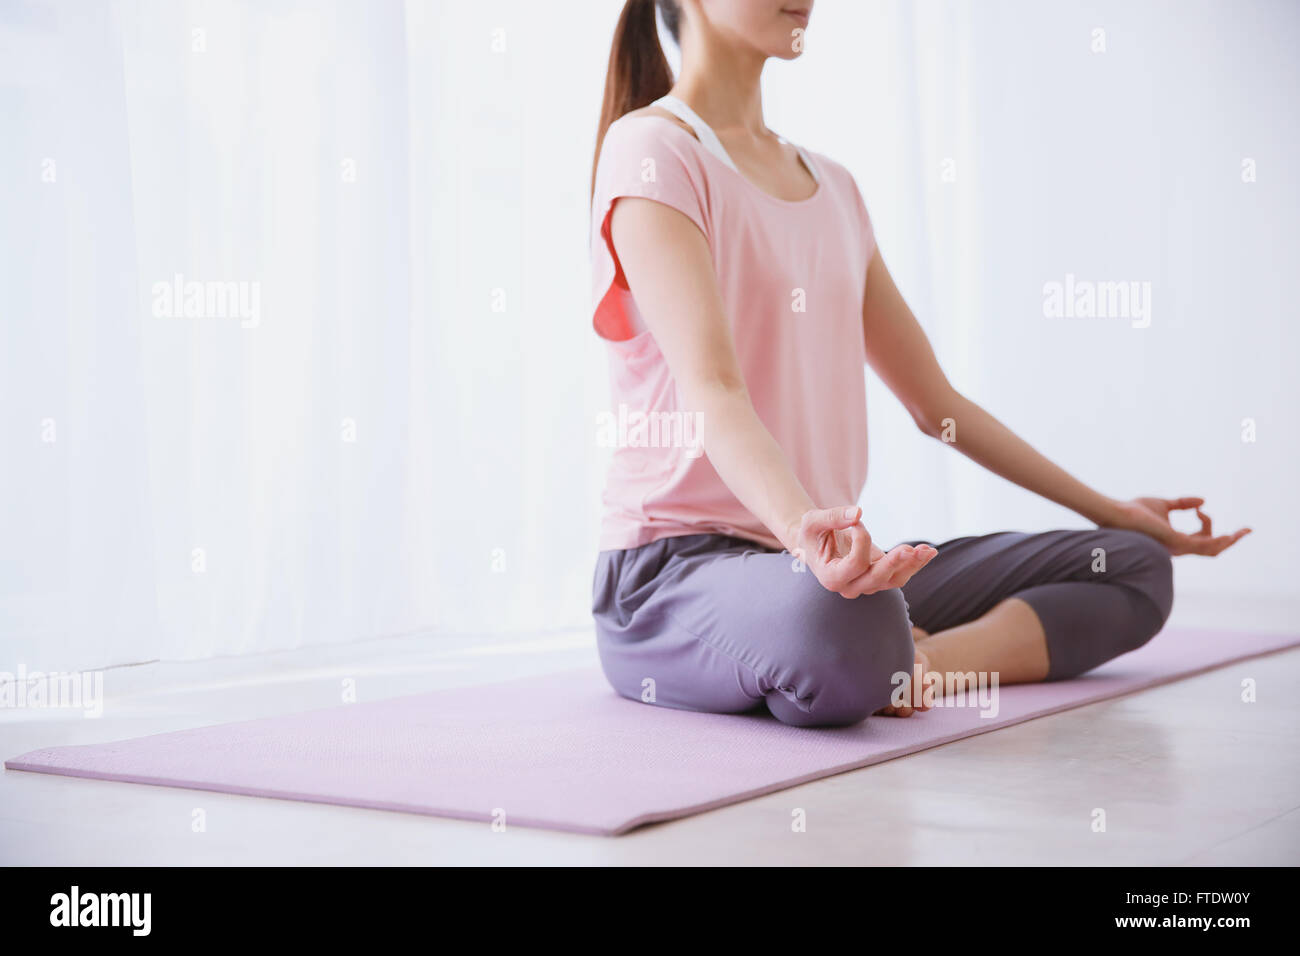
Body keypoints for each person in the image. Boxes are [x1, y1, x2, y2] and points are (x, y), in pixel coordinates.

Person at [588, 0, 1249, 726]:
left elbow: (941, 408)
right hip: (676, 576)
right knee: (846, 626)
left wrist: (1114, 511)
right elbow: (713, 388)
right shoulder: (653, 150)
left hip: (818, 570)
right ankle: (885, 650)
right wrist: (808, 535)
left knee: (1131, 566)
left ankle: (922, 665)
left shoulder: (834, 187)